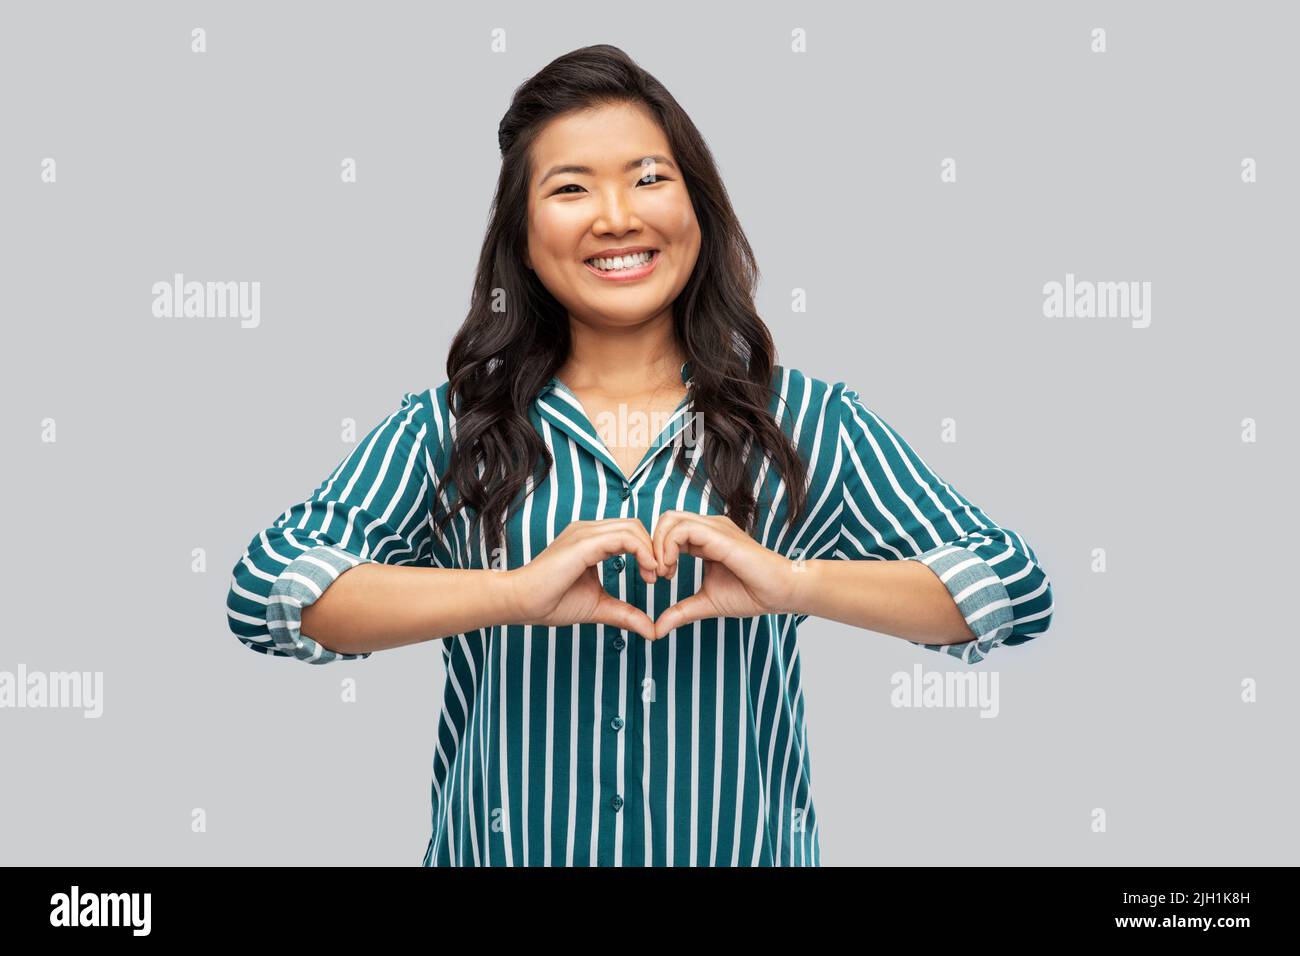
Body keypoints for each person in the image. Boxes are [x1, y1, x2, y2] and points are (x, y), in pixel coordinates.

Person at [225, 44, 1054, 867]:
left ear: (699, 205)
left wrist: (797, 584)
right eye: (571, 187)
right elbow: (269, 592)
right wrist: (509, 594)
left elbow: (1011, 590)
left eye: (649, 177)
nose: (616, 216)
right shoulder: (457, 427)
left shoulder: (802, 419)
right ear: (522, 231)